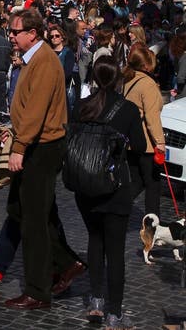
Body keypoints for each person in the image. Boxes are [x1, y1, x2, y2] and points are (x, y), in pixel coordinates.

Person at [3, 8, 84, 309]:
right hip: (36, 143)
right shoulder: (35, 59)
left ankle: (38, 290)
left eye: (15, 32)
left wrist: (19, 147)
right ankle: (66, 263)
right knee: (22, 209)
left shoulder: (44, 62)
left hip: (42, 147)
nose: (11, 36)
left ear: (32, 34)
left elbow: (35, 111)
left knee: (34, 221)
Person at [72, 57, 146, 329]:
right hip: (114, 185)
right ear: (117, 80)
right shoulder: (127, 109)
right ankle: (114, 313)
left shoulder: (82, 106)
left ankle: (96, 300)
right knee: (115, 251)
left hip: (85, 185)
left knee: (95, 240)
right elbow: (139, 145)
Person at [122, 43, 165, 218]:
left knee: (137, 181)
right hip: (146, 143)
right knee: (153, 184)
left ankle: (118, 206)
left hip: (131, 140)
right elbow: (151, 117)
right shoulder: (147, 84)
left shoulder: (128, 79)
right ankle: (152, 225)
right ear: (146, 65)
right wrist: (160, 142)